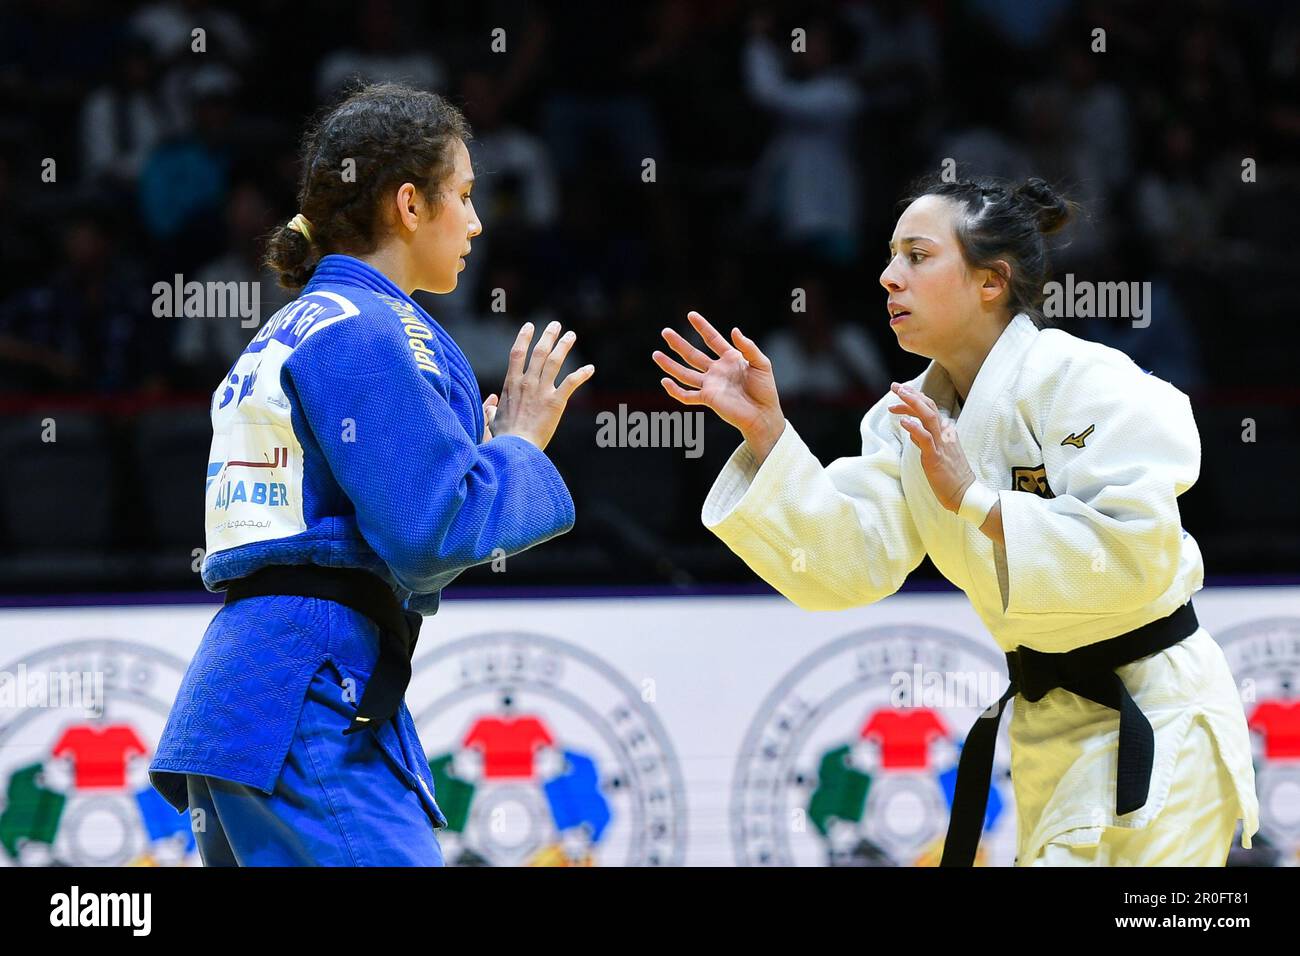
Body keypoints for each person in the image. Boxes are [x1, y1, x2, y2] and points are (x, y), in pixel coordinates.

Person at [653, 175, 1259, 866]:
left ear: (991, 282)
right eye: (890, 256)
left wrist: (977, 499)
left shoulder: (1087, 381)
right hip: (1047, 724)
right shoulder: (907, 418)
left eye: (916, 256)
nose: (888, 278)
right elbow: (849, 565)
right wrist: (769, 435)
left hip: (1159, 709)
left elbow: (1134, 553)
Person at [148, 82, 594, 866]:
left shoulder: (297, 325)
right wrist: (518, 449)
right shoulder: (370, 328)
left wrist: (473, 459)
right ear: (410, 204)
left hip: (254, 699)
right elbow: (427, 533)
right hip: (309, 692)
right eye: (463, 194)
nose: (477, 221)